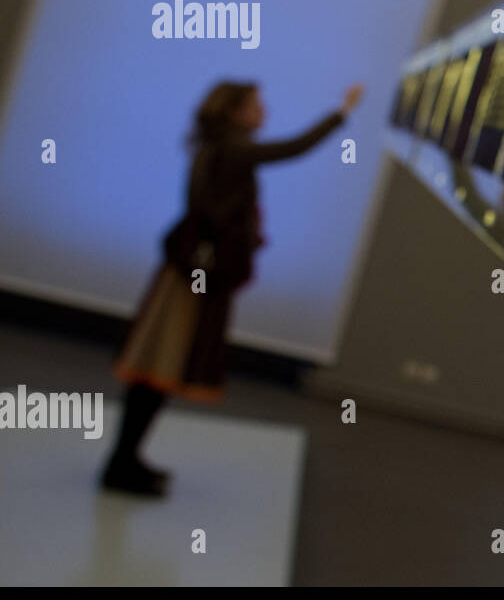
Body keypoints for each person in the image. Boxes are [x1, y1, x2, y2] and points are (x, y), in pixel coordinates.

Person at [101, 81, 363, 495]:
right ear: (234, 112)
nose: (264, 112)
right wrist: (342, 112)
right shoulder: (234, 149)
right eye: (257, 105)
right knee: (157, 368)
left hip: (188, 272)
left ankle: (125, 459)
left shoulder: (220, 146)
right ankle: (121, 464)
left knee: (156, 369)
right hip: (193, 279)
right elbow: (293, 149)